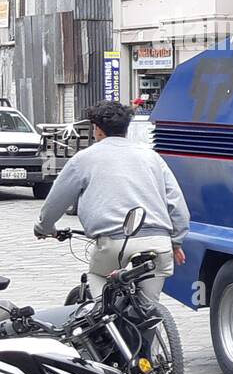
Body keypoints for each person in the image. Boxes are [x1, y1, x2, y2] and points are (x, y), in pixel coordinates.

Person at [34, 101, 189, 303]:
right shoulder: (152, 157)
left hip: (115, 244)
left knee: (97, 278)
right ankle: (155, 331)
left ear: (97, 129)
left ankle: (106, 318)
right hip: (158, 243)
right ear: (126, 128)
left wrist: (45, 227)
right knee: (149, 307)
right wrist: (176, 241)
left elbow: (56, 202)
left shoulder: (84, 159)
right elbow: (177, 204)